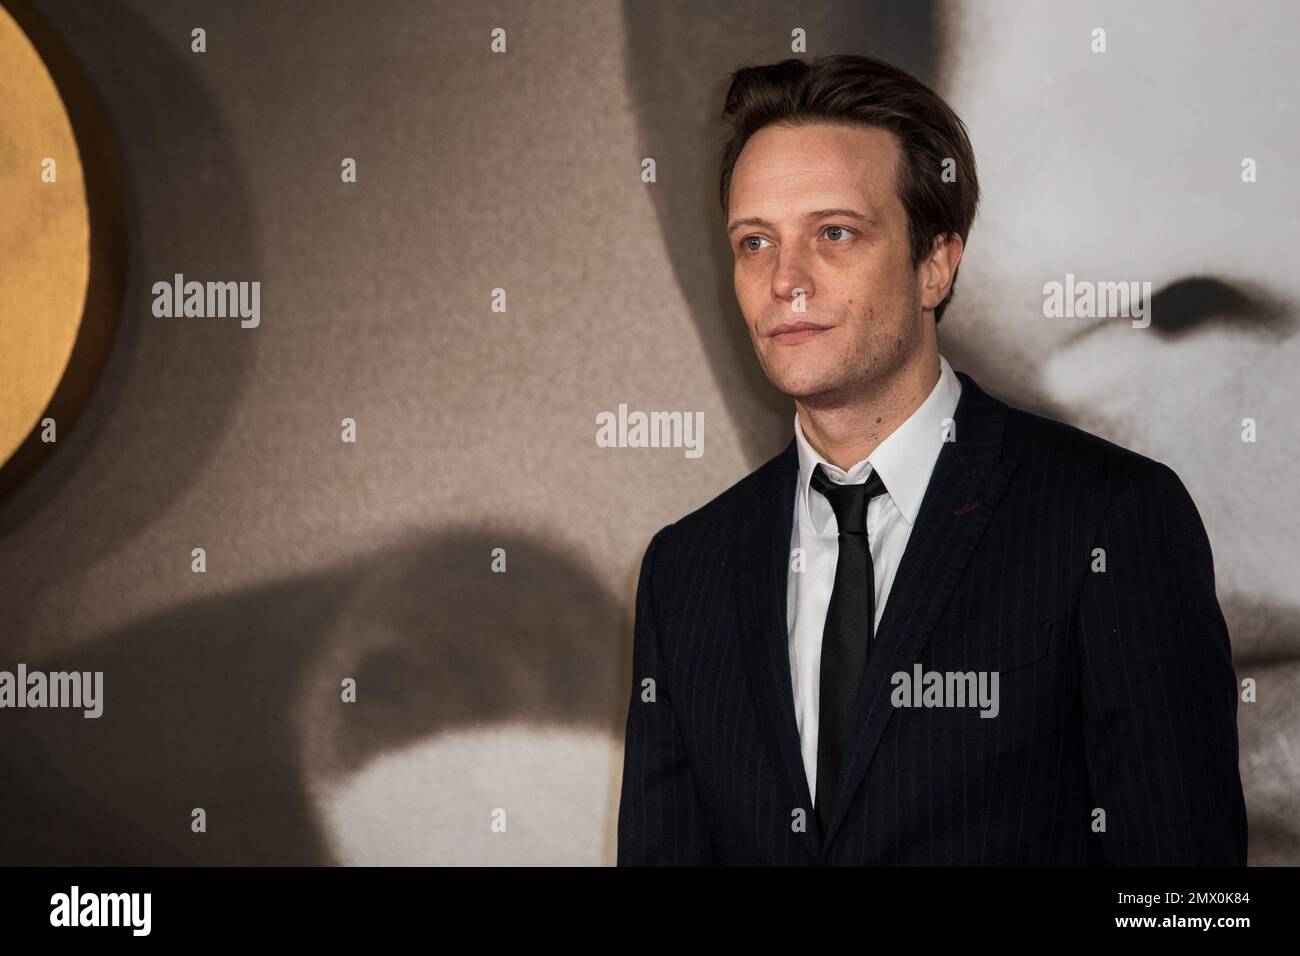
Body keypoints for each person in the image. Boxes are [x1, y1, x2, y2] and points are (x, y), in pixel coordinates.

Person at [616, 53, 1247, 865]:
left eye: (834, 233)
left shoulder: (1109, 518)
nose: (786, 281)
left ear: (935, 262)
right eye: (754, 242)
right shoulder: (685, 571)